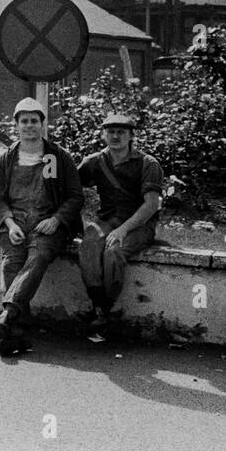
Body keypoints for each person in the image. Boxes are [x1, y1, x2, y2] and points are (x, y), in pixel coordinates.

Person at [0, 97, 83, 357]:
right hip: (15, 222)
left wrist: (56, 220)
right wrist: (8, 222)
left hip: (46, 223)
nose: (29, 126)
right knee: (10, 264)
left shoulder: (58, 157)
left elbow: (75, 196)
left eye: (34, 121)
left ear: (43, 124)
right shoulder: (6, 160)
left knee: (38, 256)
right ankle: (15, 332)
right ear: (16, 125)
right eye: (24, 121)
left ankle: (8, 315)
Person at [76, 113, 164, 334]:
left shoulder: (147, 163)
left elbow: (151, 205)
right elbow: (71, 185)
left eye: (121, 132)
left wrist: (124, 229)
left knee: (113, 251)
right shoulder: (95, 161)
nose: (115, 136)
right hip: (107, 219)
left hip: (138, 225)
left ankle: (105, 310)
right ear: (104, 134)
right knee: (89, 241)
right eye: (111, 131)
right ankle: (98, 305)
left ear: (131, 136)